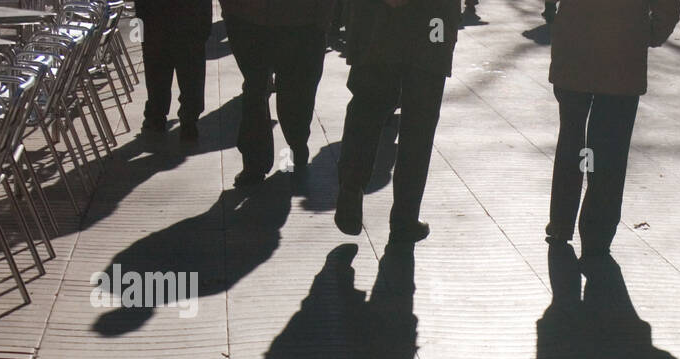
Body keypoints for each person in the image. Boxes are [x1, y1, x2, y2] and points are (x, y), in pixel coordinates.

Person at [546, 0, 680, 257]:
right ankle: (597, 231)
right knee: (610, 148)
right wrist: (650, 32)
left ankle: (561, 223)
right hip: (623, 52)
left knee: (571, 140)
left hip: (575, 46)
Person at [335, 0, 460, 242]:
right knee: (419, 123)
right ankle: (405, 216)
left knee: (367, 107)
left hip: (376, 21)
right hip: (433, 22)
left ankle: (351, 187)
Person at [221, 0, 336, 188]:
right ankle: (258, 161)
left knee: (290, 91)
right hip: (253, 19)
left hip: (295, 21)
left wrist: (323, 17)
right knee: (257, 89)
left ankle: (294, 143)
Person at [134, 0, 213, 142]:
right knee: (191, 73)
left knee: (157, 70)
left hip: (155, 18)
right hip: (189, 17)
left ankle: (157, 114)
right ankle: (188, 119)